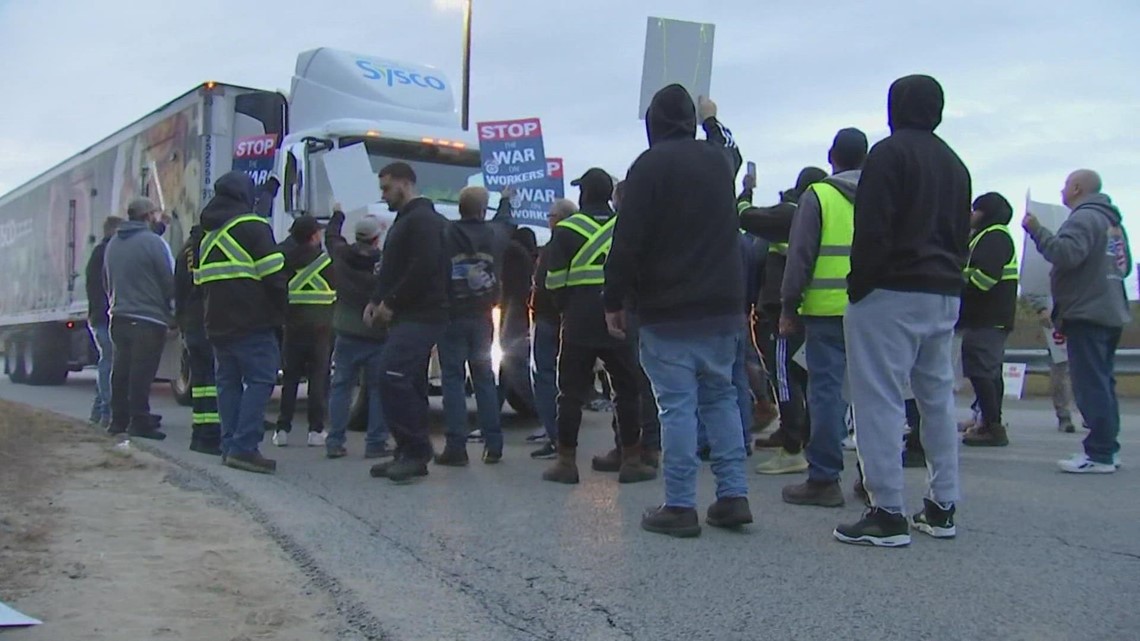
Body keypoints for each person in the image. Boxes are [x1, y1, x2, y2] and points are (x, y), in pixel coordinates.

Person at [604, 85, 751, 538]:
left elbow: (627, 241)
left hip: (668, 308)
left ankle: (681, 504)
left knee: (677, 407)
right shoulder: (718, 162)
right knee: (721, 397)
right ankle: (732, 496)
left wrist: (614, 299)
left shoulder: (647, 168)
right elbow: (732, 148)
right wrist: (711, 117)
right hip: (723, 306)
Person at [837, 75, 970, 547]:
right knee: (936, 399)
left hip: (890, 289)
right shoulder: (956, 165)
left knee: (879, 399)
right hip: (943, 290)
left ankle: (887, 509)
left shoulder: (888, 154)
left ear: (894, 108)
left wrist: (859, 286)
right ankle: (942, 506)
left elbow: (872, 228)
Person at [540, 167, 656, 487]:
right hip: (620, 318)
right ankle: (631, 458)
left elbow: (554, 283)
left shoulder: (565, 230)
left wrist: (567, 309)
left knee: (571, 393)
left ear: (584, 194)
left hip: (579, 320)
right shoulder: (627, 227)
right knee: (627, 390)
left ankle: (566, 462)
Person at [779, 128, 867, 505]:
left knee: (826, 394)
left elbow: (800, 256)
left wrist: (788, 305)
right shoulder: (882, 194)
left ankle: (824, 480)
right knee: (873, 396)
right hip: (871, 309)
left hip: (825, 312)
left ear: (832, 156)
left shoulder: (819, 196)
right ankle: (874, 478)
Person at [1023, 169, 1131, 474]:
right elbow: (1123, 268)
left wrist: (1036, 230)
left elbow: (1065, 254)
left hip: (1087, 312)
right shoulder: (1113, 223)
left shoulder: (1084, 218)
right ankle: (1108, 448)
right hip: (1111, 310)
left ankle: (1099, 454)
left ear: (1078, 188)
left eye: (1066, 186)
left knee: (1089, 385)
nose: (1062, 191)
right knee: (1103, 382)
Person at [196, 171, 287, 474]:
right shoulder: (252, 227)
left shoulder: (207, 237)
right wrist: (280, 314)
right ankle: (245, 447)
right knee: (260, 380)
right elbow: (275, 277)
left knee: (229, 384)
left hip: (218, 325)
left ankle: (230, 446)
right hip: (252, 322)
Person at [364, 162, 449, 484]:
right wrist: (376, 300)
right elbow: (393, 267)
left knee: (392, 375)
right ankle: (407, 451)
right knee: (408, 381)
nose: (383, 196)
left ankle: (414, 450)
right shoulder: (408, 220)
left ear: (405, 184)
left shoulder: (424, 221)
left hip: (422, 313)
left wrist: (391, 302)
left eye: (386, 188)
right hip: (409, 314)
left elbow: (422, 267)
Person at [738, 168, 825, 466]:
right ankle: (807, 435)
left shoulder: (791, 215)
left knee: (786, 378)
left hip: (784, 310)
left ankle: (791, 446)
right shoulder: (830, 215)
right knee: (813, 378)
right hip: (820, 309)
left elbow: (745, 216)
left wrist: (746, 189)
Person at [592, 179, 665, 472]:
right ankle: (645, 445)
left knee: (629, 381)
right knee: (645, 382)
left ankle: (634, 446)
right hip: (656, 311)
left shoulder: (627, 228)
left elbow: (618, 266)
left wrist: (612, 303)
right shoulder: (659, 227)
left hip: (633, 308)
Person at [435, 186, 511, 466]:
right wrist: (505, 200)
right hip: (482, 315)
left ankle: (456, 446)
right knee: (484, 380)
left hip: (451, 314)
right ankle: (494, 444)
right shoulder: (495, 235)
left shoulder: (446, 234)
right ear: (483, 209)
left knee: (452, 379)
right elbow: (506, 223)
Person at [104, 198, 175, 440]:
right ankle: (140, 421)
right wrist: (172, 311)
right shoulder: (153, 243)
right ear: (148, 216)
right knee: (142, 373)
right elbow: (168, 280)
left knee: (121, 371)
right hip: (147, 318)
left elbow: (107, 281)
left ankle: (118, 420)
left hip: (119, 316)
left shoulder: (114, 243)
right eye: (155, 214)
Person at [324, 209, 392, 459]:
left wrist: (338, 214)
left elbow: (331, 236)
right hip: (377, 333)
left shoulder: (341, 255)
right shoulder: (385, 263)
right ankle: (375, 442)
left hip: (345, 330)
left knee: (341, 386)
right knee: (377, 390)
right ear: (376, 239)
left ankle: (335, 441)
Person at [959, 193, 1019, 447]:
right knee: (988, 372)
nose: (971, 215)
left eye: (975, 209)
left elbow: (984, 279)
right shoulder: (987, 235)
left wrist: (954, 283)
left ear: (987, 212)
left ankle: (992, 426)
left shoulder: (994, 236)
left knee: (982, 372)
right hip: (989, 317)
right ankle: (987, 420)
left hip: (986, 316)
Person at [271, 215, 335, 448]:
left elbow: (278, 291)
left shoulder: (284, 260)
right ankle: (315, 430)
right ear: (313, 236)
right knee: (318, 379)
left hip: (293, 327)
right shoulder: (325, 262)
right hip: (320, 329)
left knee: (290, 379)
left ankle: (282, 429)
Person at [529, 198, 575, 459]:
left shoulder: (557, 243)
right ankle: (559, 435)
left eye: (551, 214)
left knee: (546, 376)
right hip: (562, 317)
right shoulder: (573, 242)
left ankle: (556, 436)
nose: (548, 218)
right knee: (564, 379)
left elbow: (549, 282)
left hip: (549, 318)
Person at [175, 223, 222, 455]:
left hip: (190, 323)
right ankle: (211, 436)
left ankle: (199, 434)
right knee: (212, 381)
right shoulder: (212, 247)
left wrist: (180, 321)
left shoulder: (184, 252)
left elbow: (178, 289)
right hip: (206, 320)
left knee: (201, 382)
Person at [85, 215, 123, 428]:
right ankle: (107, 411)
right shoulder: (106, 252)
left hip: (98, 315)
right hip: (103, 316)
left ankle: (98, 411)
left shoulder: (100, 252)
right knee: (108, 362)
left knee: (106, 360)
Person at [1023, 292, 1077, 432]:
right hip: (1057, 307)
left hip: (1086, 306)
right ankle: (1064, 416)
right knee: (1061, 365)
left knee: (1087, 367)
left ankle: (1092, 415)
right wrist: (1041, 307)